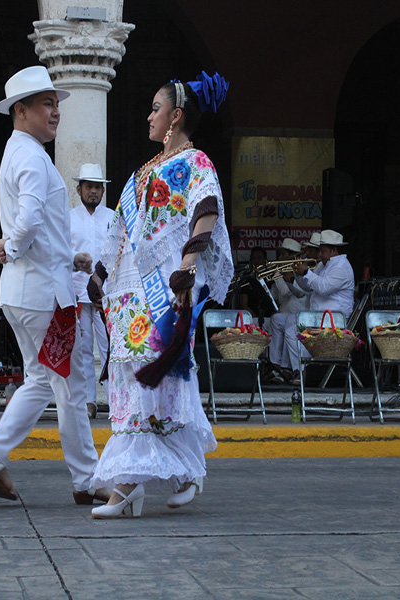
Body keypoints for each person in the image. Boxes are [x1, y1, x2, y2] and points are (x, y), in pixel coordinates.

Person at [86, 72, 233, 518]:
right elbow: (118, 231)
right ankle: (185, 471)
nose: (149, 116)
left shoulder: (196, 163)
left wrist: (188, 266)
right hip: (129, 295)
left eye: (156, 107)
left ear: (177, 116)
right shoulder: (141, 172)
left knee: (156, 380)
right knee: (142, 382)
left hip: (166, 294)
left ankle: (127, 487)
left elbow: (205, 211)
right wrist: (100, 276)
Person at [0, 65, 104, 506]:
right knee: (69, 386)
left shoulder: (18, 151)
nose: (55, 112)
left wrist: (67, 256)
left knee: (42, 380)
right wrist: (12, 245)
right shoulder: (30, 155)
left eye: (55, 104)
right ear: (21, 110)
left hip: (25, 292)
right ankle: (86, 479)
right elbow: (28, 221)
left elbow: (32, 227)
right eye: (46, 104)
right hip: (46, 295)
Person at [69, 163, 115, 420]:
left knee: (109, 346)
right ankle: (89, 401)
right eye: (89, 187)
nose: (94, 191)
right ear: (79, 189)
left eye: (98, 187)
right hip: (77, 293)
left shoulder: (111, 217)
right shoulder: (69, 218)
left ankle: (114, 400)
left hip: (105, 294)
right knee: (84, 349)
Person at [266, 238, 309, 385]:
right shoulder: (284, 271)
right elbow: (278, 296)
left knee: (284, 324)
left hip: (300, 314)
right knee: (274, 320)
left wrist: (277, 274)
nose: (279, 258)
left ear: (292, 256)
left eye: (283, 254)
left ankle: (288, 369)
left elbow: (285, 291)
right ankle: (276, 366)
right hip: (285, 314)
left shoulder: (301, 272)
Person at [293, 229, 355, 319]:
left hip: (334, 319)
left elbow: (323, 288)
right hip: (322, 316)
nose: (320, 255)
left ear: (334, 250)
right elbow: (308, 288)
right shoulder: (324, 264)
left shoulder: (341, 267)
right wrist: (299, 274)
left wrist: (306, 272)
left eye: (323, 251)